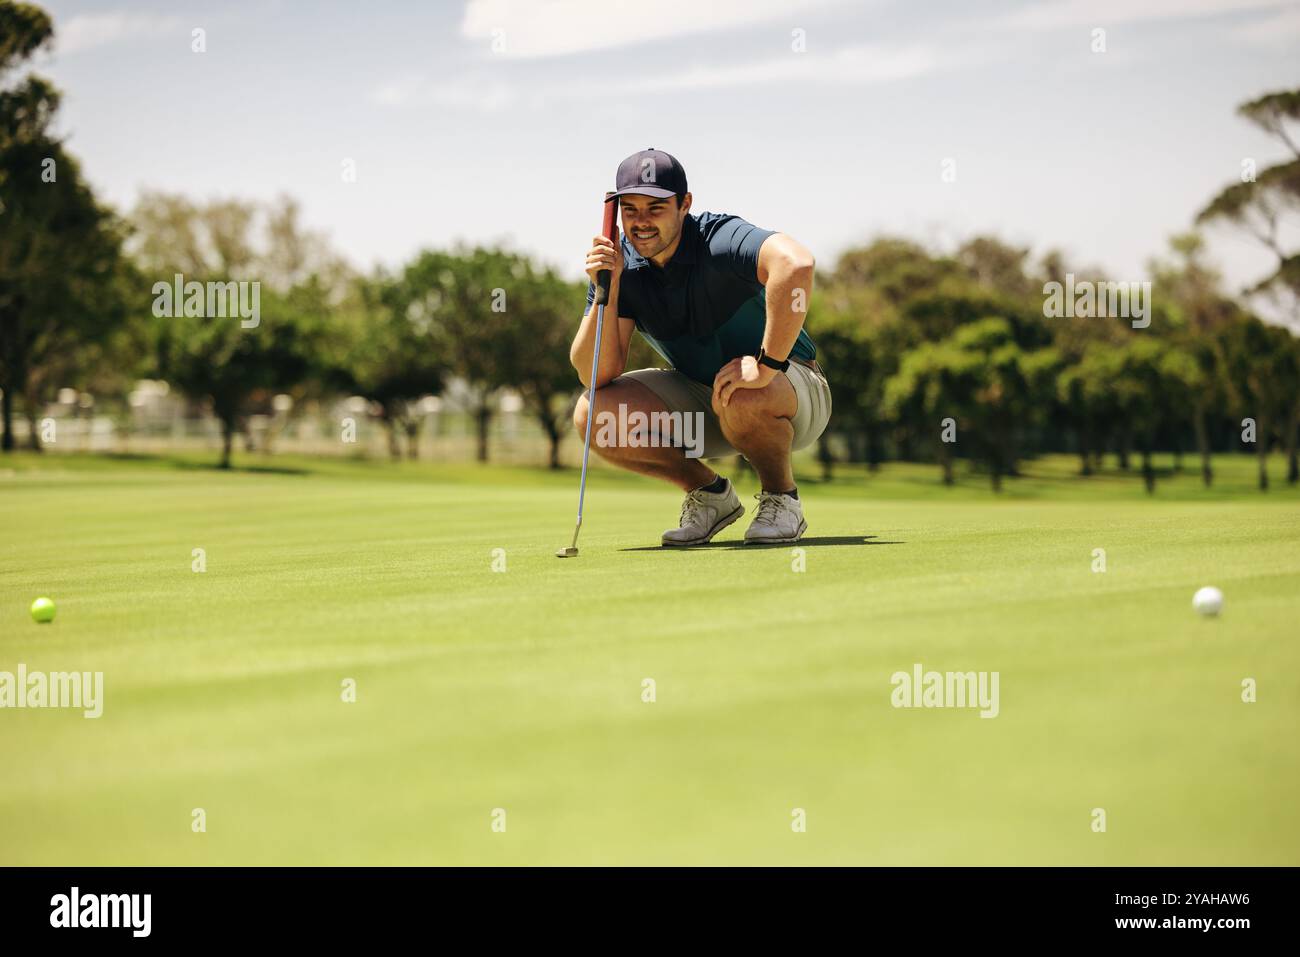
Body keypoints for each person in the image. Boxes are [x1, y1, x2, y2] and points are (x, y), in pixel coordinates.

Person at [570, 148, 832, 546]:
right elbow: (595, 371)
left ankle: (782, 499)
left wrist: (766, 364)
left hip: (793, 395)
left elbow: (796, 265)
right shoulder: (621, 265)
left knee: (742, 393)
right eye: (630, 209)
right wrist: (608, 286)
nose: (641, 222)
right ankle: (710, 496)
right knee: (595, 415)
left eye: (656, 208)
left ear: (685, 204)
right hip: (711, 405)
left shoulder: (719, 238)